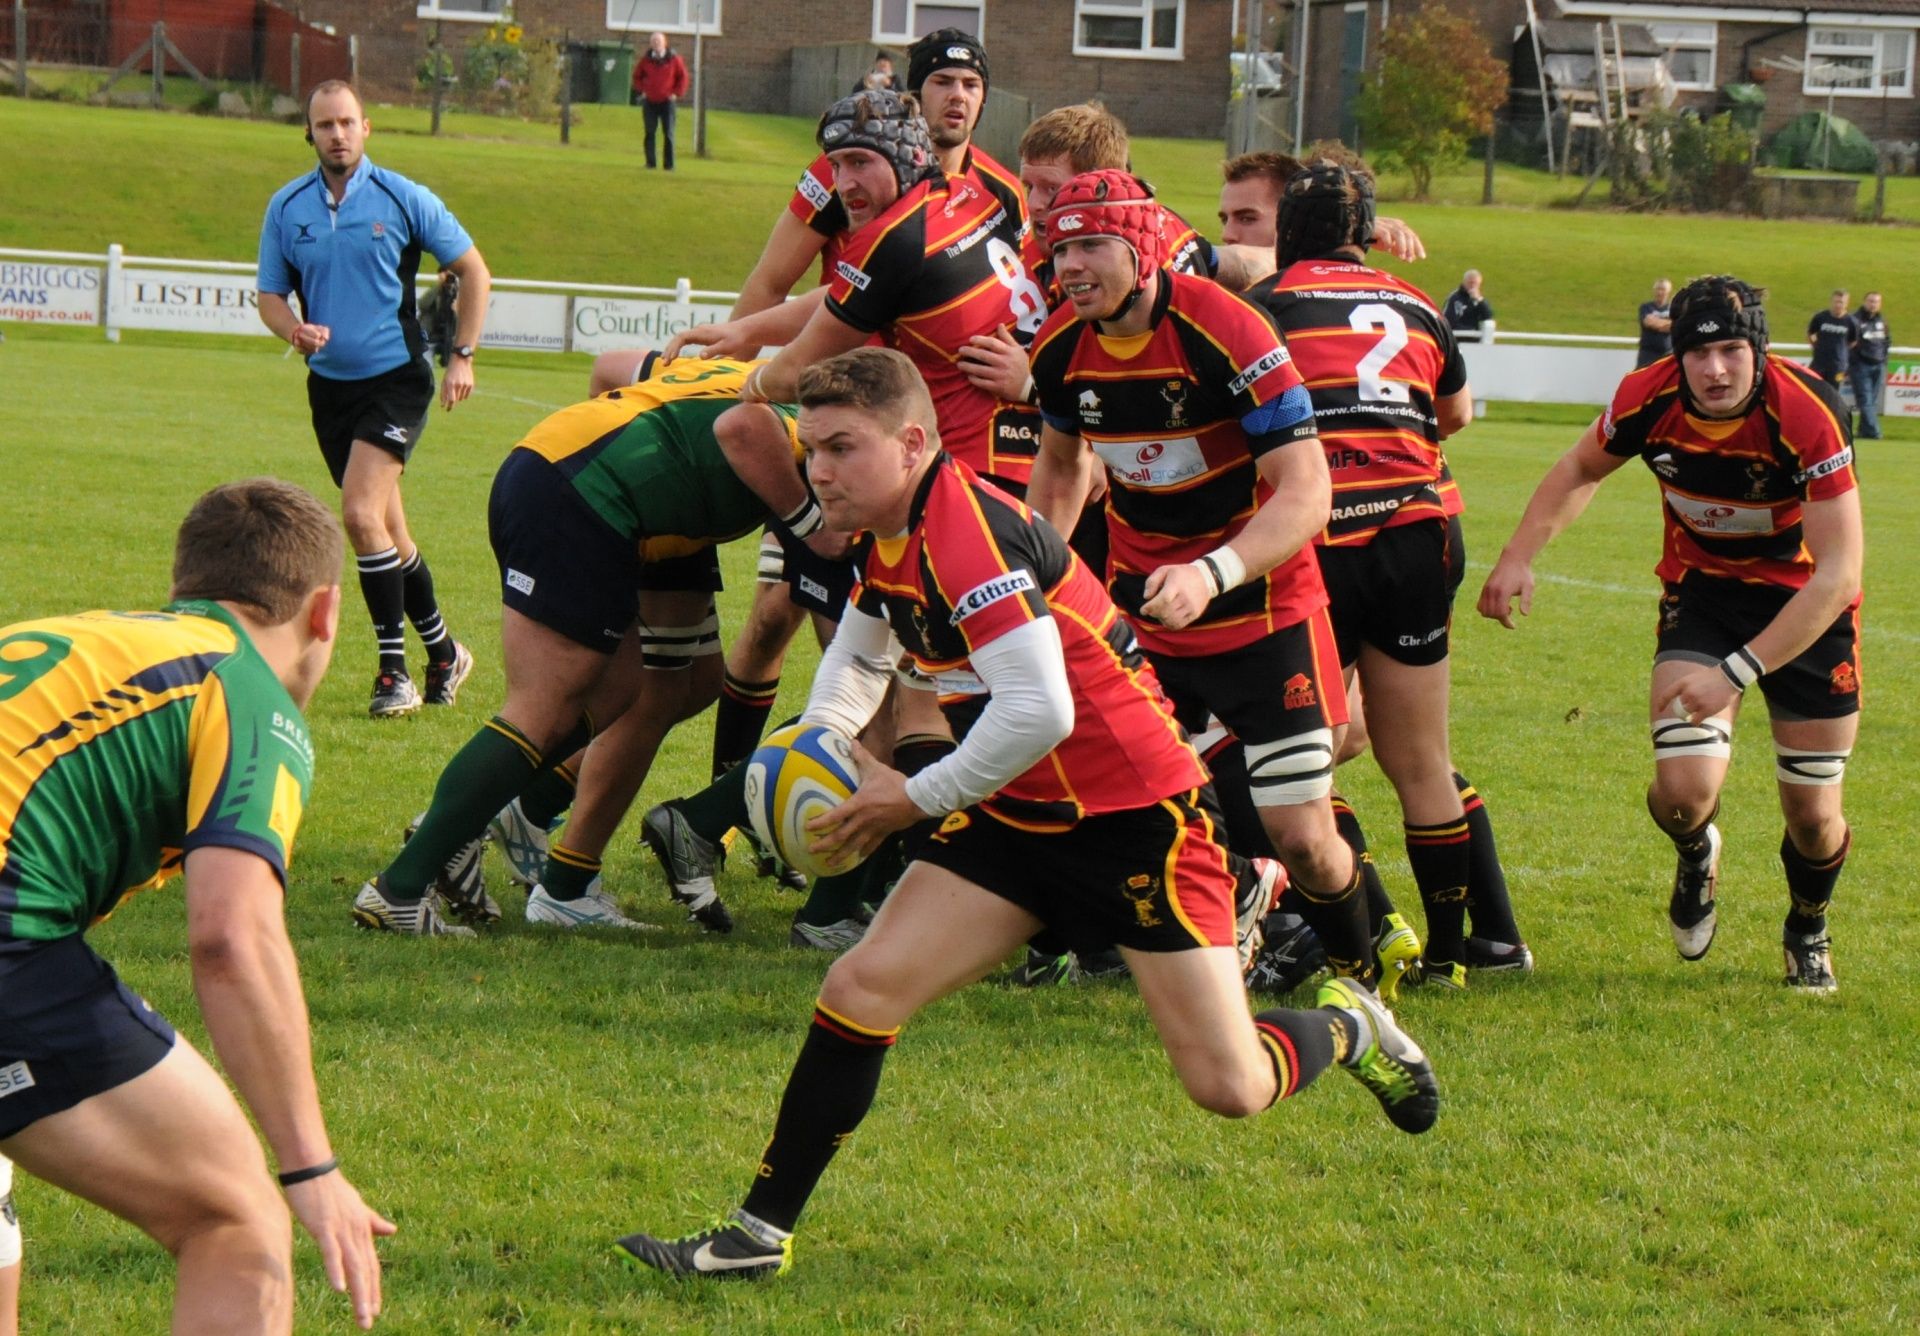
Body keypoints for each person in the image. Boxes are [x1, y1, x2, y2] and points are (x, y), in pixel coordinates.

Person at [613, 348, 1439, 1280]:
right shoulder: (884, 531)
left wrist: (907, 797)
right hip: (1016, 811)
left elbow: (1039, 709)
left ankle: (1351, 1026)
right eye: (812, 449)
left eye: (842, 447)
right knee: (860, 988)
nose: (819, 470)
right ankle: (755, 1239)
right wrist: (827, 744)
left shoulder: (965, 529)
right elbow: (857, 655)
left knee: (1231, 1085)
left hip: (1137, 818)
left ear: (913, 441)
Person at [0, 479, 393, 1329]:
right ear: (324, 614)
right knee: (236, 1217)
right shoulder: (245, 690)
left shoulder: (76, 635)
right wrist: (311, 1167)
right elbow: (232, 937)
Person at [1024, 170, 1381, 994]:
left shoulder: (1228, 330)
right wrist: (1032, 582)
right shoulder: (1059, 350)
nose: (1068, 265)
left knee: (1302, 835)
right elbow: (1059, 471)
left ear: (1143, 247)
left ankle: (1361, 974)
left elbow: (1307, 489)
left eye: (1089, 246)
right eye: (1059, 247)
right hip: (1144, 615)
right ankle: (1164, 934)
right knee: (1114, 796)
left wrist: (1211, 573)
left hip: (1264, 608)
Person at [353, 357, 837, 936]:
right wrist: (812, 525)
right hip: (579, 494)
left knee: (631, 688)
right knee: (546, 704)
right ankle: (404, 885)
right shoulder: (815, 430)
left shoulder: (768, 368)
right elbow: (747, 429)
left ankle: (498, 840)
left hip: (587, 483)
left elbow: (613, 368)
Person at [1479, 276, 1862, 994]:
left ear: (1759, 349)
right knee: (1682, 794)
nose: (1714, 370)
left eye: (1730, 350)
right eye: (1697, 352)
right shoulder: (1646, 397)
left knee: (1814, 816)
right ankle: (1696, 850)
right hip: (1705, 596)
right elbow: (1579, 469)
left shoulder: (1808, 411)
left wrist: (1736, 672)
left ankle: (1808, 925)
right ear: (1675, 354)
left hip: (1808, 611)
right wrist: (1517, 555)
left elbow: (1838, 576)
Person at [1247, 162, 1531, 990]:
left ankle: (1353, 926)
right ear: (1365, 230)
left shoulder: (1265, 306)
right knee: (1420, 758)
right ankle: (1449, 955)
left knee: (1301, 751)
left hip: (1320, 541)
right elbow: (1455, 415)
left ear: (1285, 231)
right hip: (1418, 533)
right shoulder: (1413, 302)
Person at [257, 79, 489, 719]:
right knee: (388, 531)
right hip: (330, 388)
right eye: (325, 125)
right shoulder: (287, 208)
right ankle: (445, 652)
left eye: (346, 122)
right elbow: (270, 296)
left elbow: (474, 269)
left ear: (366, 128)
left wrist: (461, 355)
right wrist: (293, 331)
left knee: (359, 515)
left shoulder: (403, 196)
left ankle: (394, 673)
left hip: (398, 377)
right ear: (310, 134)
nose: (337, 134)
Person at [632, 32, 689, 171]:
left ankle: (669, 165)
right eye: (654, 41)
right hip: (650, 101)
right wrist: (642, 91)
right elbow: (636, 77)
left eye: (659, 41)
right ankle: (650, 163)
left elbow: (683, 77)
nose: (656, 44)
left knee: (668, 133)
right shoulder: (646, 60)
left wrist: (676, 93)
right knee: (649, 132)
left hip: (667, 102)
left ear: (665, 43)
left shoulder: (674, 59)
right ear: (651, 44)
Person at [1850, 291, 1889, 439]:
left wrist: (1884, 359)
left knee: (1870, 401)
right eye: (1871, 301)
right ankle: (1875, 431)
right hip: (1860, 365)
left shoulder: (1881, 320)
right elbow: (1850, 343)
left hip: (1878, 365)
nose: (1873, 304)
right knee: (1865, 400)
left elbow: (1887, 340)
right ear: (1864, 302)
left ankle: (1864, 431)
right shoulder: (1855, 319)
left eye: (1876, 302)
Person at [1806, 288, 1857, 388]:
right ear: (1831, 302)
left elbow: (1853, 341)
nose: (1838, 305)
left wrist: (1841, 350)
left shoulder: (1852, 322)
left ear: (1846, 304)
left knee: (1833, 392)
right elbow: (1811, 333)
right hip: (1819, 363)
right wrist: (1817, 345)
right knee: (1813, 389)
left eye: (1841, 302)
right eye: (1836, 302)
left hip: (1838, 365)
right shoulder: (1820, 317)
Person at [1443, 269, 1494, 342]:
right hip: (1457, 341)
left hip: (1474, 341)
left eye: (1475, 283)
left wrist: (1480, 300)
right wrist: (1470, 331)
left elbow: (1488, 316)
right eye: (1470, 283)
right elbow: (1448, 322)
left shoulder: (1479, 300)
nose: (1472, 286)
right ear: (1464, 282)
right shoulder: (1454, 298)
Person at [1637, 278, 1673, 368]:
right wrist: (1667, 323)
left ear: (1668, 291)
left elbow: (1674, 326)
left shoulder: (1673, 309)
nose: (1660, 292)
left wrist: (1656, 322)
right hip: (1647, 354)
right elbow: (1648, 322)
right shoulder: (1646, 307)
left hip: (1667, 355)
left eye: (1663, 289)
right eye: (1658, 289)